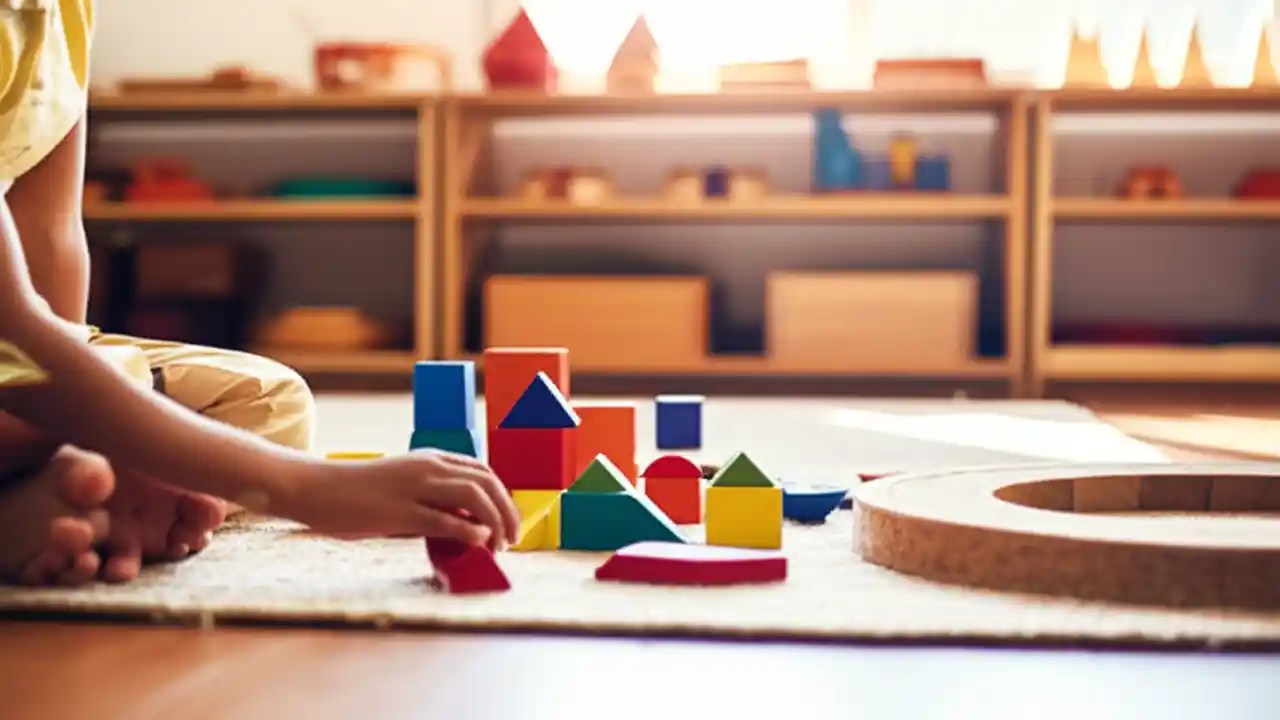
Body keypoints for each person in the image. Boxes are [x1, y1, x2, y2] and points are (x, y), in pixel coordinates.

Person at [0, 0, 519, 586]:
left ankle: (62, 486)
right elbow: (14, 344)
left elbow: (50, 241)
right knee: (159, 431)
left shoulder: (62, 14)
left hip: (17, 363)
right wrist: (307, 487)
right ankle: (46, 500)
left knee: (268, 400)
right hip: (12, 349)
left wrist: (86, 430)